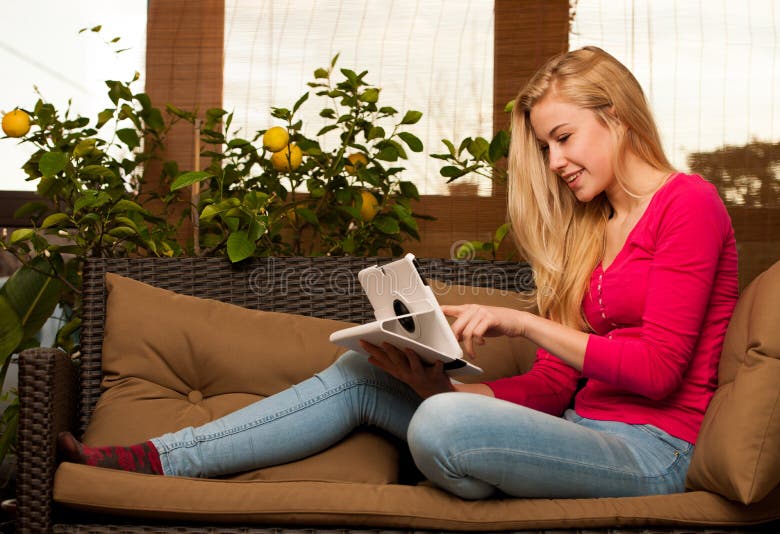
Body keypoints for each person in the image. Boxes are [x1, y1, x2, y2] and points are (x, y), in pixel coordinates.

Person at [59, 46, 739, 500]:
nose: (556, 161)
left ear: (614, 117)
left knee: (442, 428)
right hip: (577, 431)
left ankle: (465, 453)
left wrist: (522, 319)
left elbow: (658, 371)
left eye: (564, 138)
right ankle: (159, 461)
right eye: (544, 146)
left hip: (652, 453)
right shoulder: (592, 228)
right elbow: (557, 384)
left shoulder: (690, 205)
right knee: (369, 375)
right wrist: (438, 381)